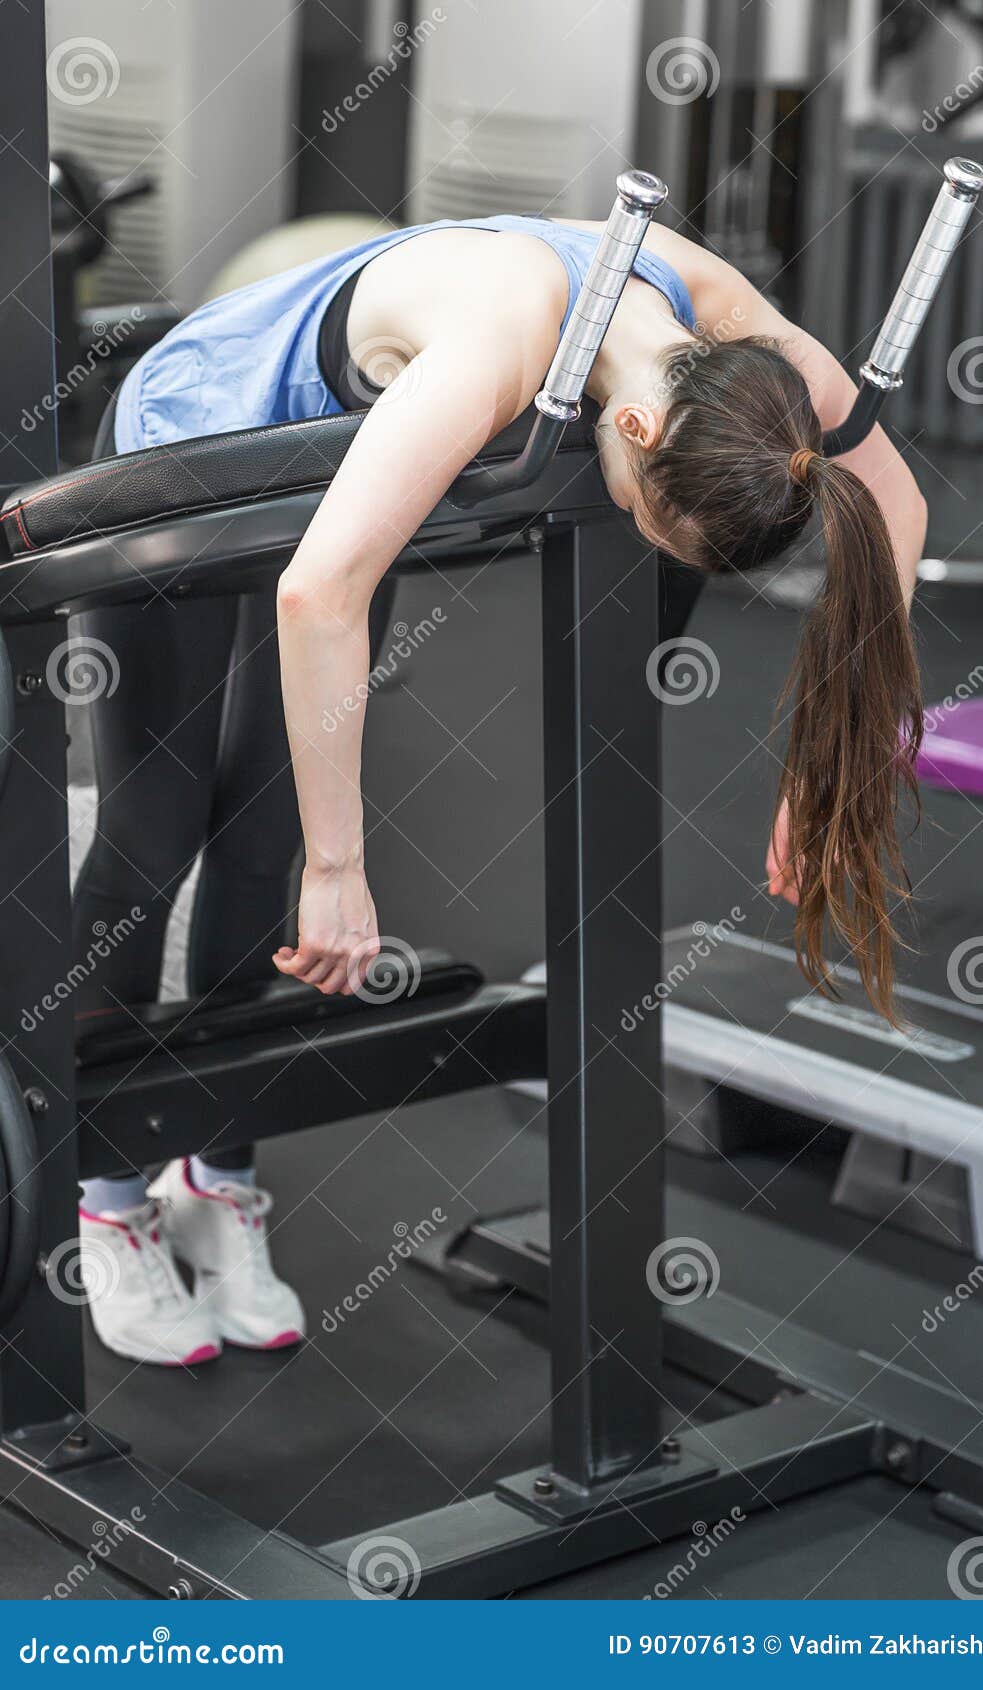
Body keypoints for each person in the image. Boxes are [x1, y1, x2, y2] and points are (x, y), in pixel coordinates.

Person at [76, 208, 927, 1365]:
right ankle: (106, 1201)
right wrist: (348, 869)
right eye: (644, 512)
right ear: (631, 426)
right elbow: (314, 597)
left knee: (263, 829)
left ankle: (214, 1177)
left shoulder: (738, 350)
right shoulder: (496, 340)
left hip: (337, 463)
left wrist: (834, 768)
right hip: (186, 443)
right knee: (154, 828)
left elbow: (893, 500)